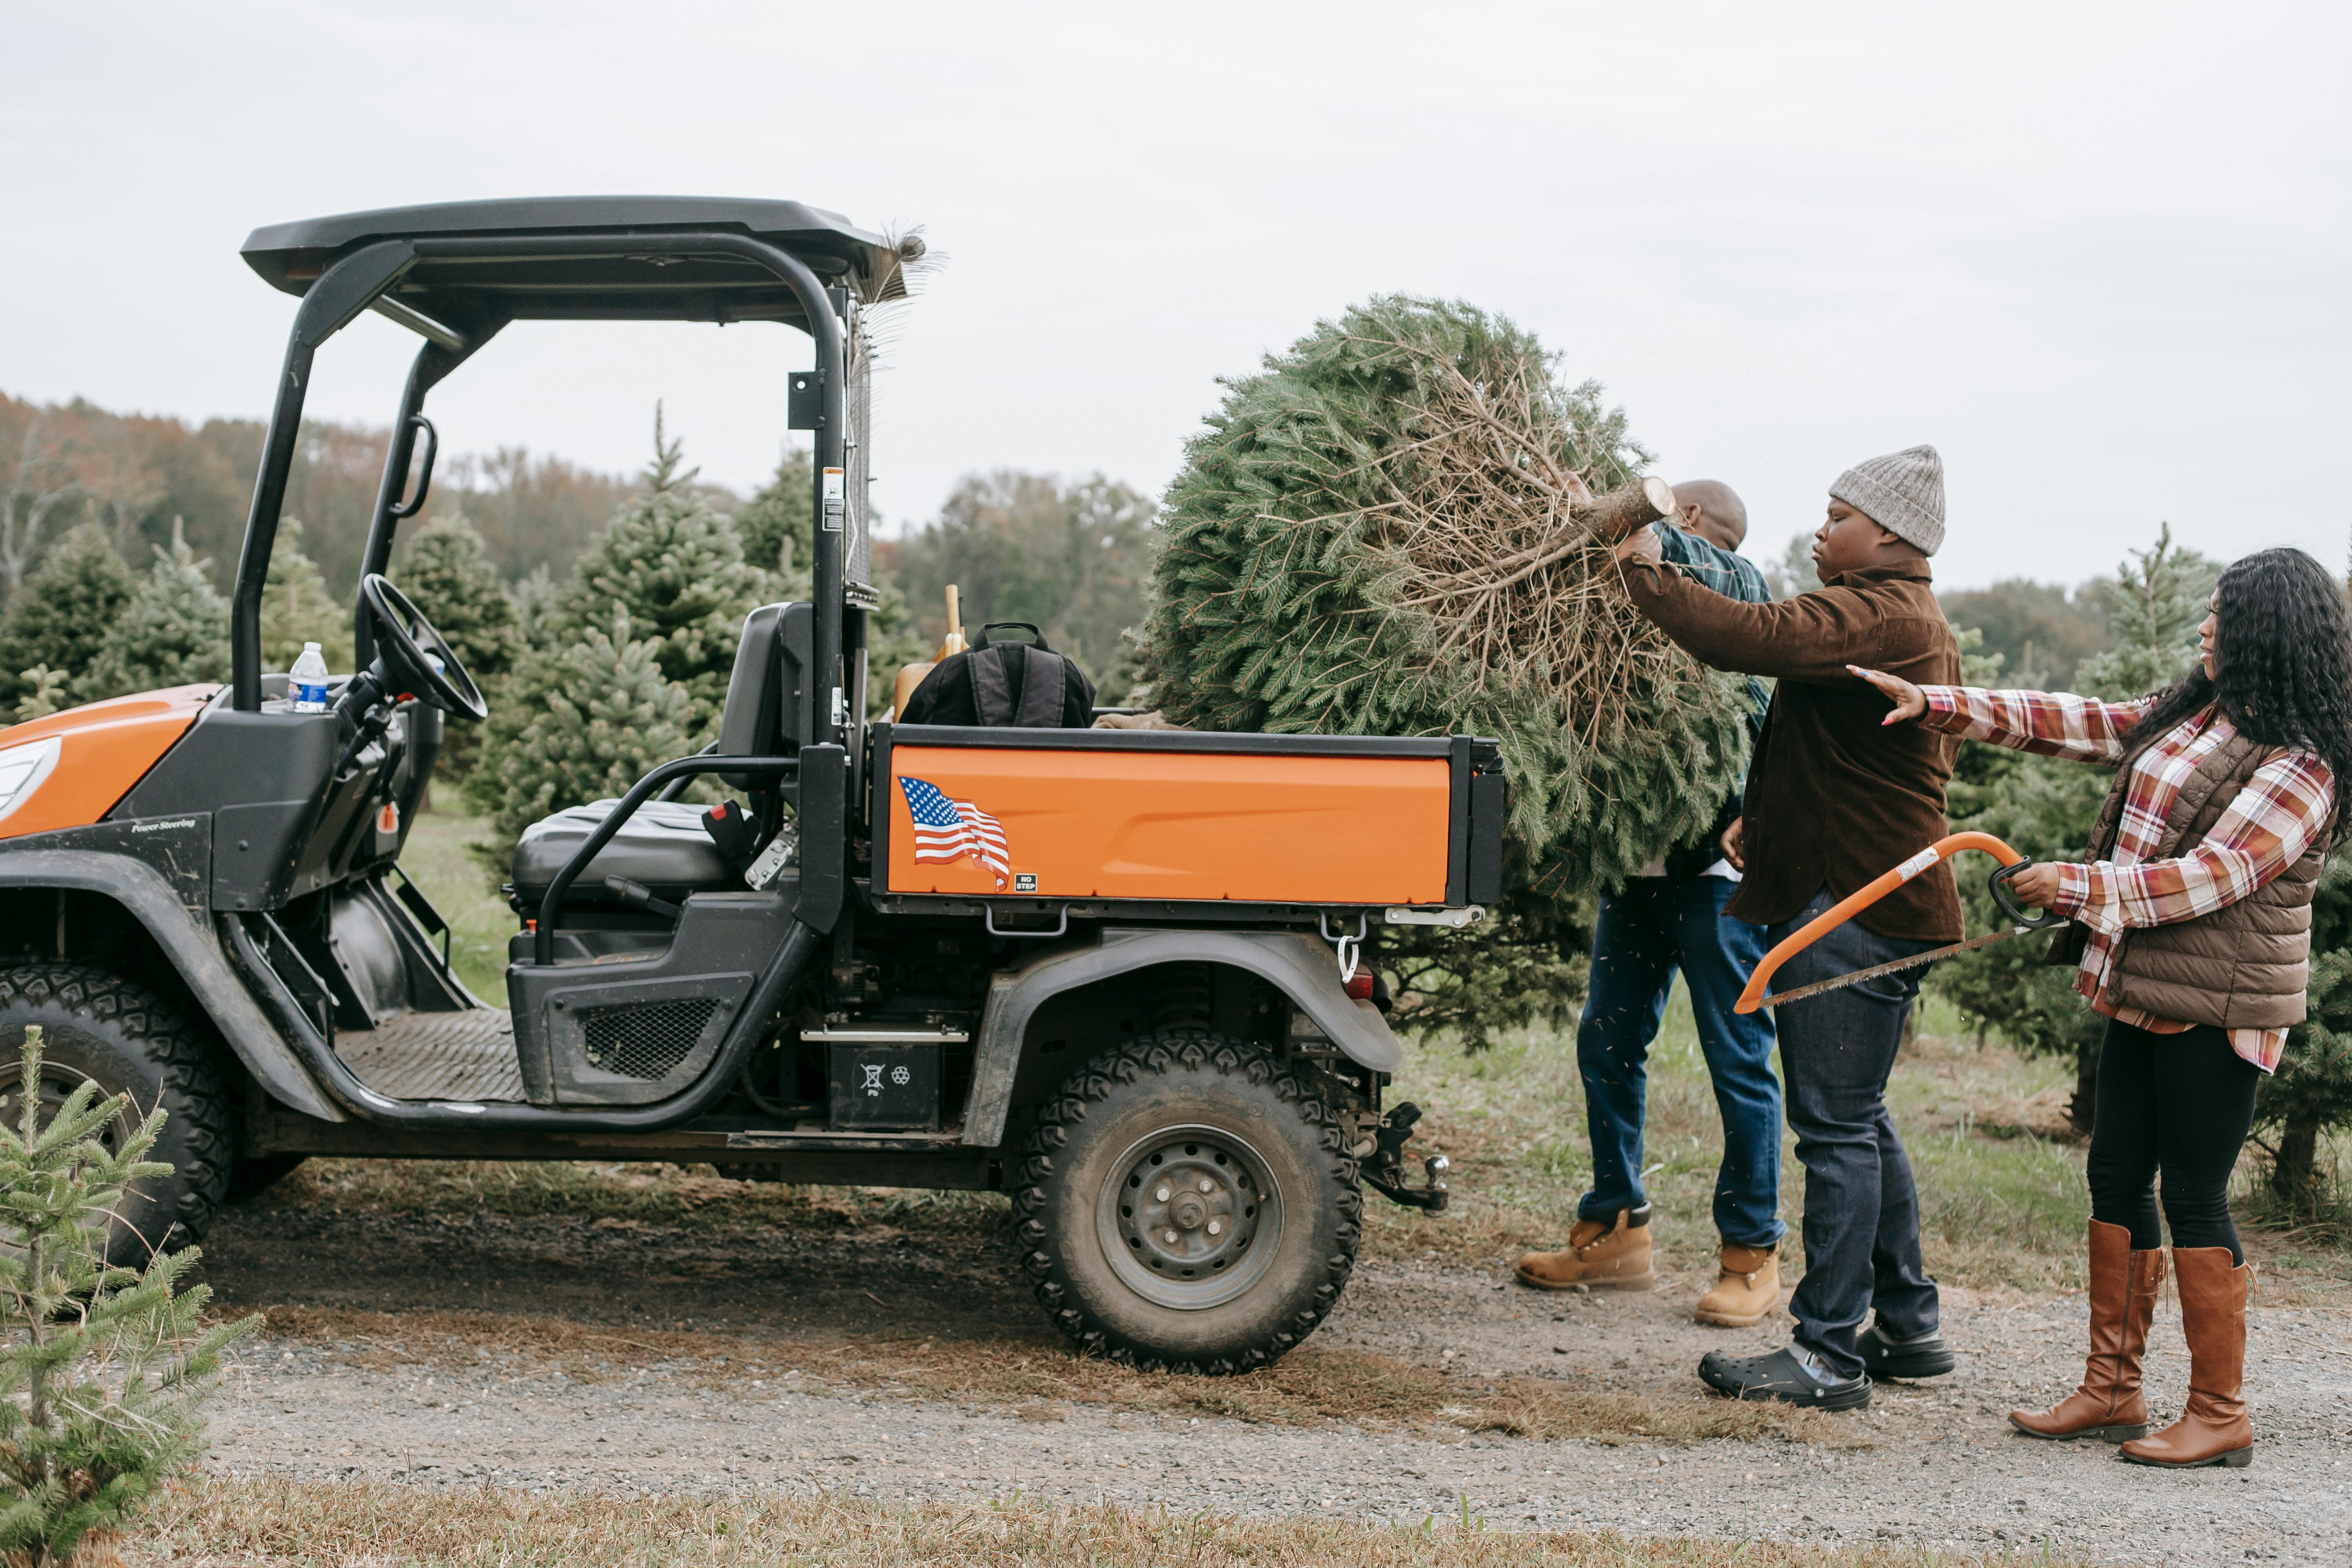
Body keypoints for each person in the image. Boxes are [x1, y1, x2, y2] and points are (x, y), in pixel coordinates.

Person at [1854, 546, 2351, 1470]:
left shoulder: (2304, 764)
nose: (2204, 627)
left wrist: (2077, 887)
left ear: (2269, 633)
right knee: (2116, 1181)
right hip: (2144, 989)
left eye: (2222, 616)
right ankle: (2113, 1387)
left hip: (2223, 1005)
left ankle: (2220, 1410)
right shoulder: (2195, 714)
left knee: (2197, 1194)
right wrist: (1945, 703)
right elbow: (2084, 720)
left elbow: (2215, 876)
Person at [1612, 445, 1961, 1410]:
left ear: (1887, 535)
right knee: (1861, 1117)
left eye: (1838, 514)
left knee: (1835, 1131)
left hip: (1858, 908)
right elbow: (1837, 751)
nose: (1821, 528)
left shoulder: (1881, 612)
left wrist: (1642, 557)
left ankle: (1825, 1354)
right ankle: (1910, 1324)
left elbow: (1739, 633)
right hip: (1878, 899)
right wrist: (1758, 821)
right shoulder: (1891, 613)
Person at [1515, 481, 1788, 1329]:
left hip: (1715, 881)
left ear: (1694, 521)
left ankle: (1752, 1252)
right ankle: (1617, 1227)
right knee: (1606, 1039)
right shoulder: (1636, 611)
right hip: (1636, 874)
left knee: (1738, 1058)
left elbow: (1701, 565)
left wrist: (1622, 512)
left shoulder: (1739, 586)